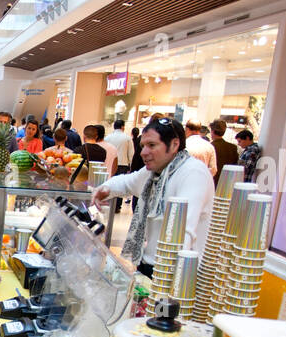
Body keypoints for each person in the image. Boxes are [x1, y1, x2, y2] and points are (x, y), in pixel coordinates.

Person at [92, 117, 215, 277]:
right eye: (143, 146)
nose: (143, 152)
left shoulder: (193, 173)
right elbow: (128, 182)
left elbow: (184, 233)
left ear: (174, 145)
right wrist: (105, 189)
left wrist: (164, 281)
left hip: (177, 273)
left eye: (152, 145)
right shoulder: (155, 172)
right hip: (149, 263)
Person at [209, 119, 239, 184]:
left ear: (212, 131)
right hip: (228, 182)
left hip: (212, 181)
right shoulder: (233, 147)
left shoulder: (209, 147)